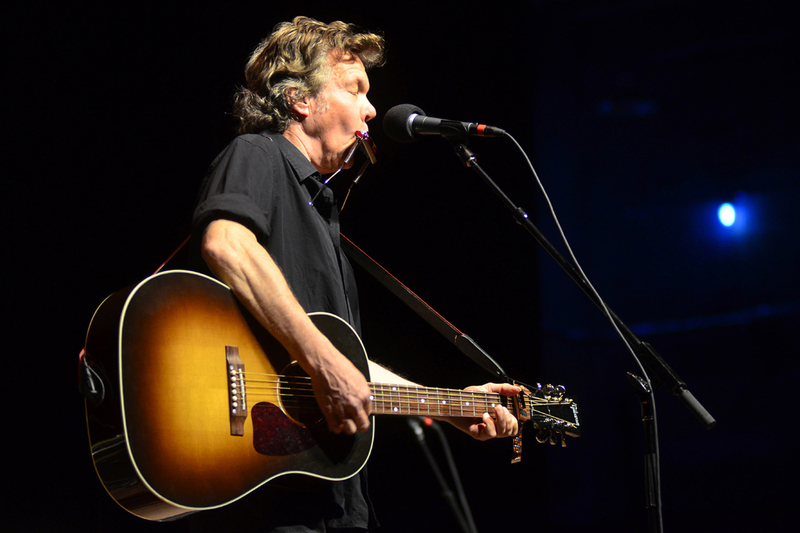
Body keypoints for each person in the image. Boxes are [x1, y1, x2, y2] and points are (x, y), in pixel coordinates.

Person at [189, 16, 520, 532]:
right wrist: (324, 364)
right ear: (301, 100)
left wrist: (450, 405)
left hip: (327, 500)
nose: (371, 108)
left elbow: (349, 367)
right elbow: (226, 243)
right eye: (355, 89)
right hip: (270, 498)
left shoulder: (322, 215)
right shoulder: (258, 153)